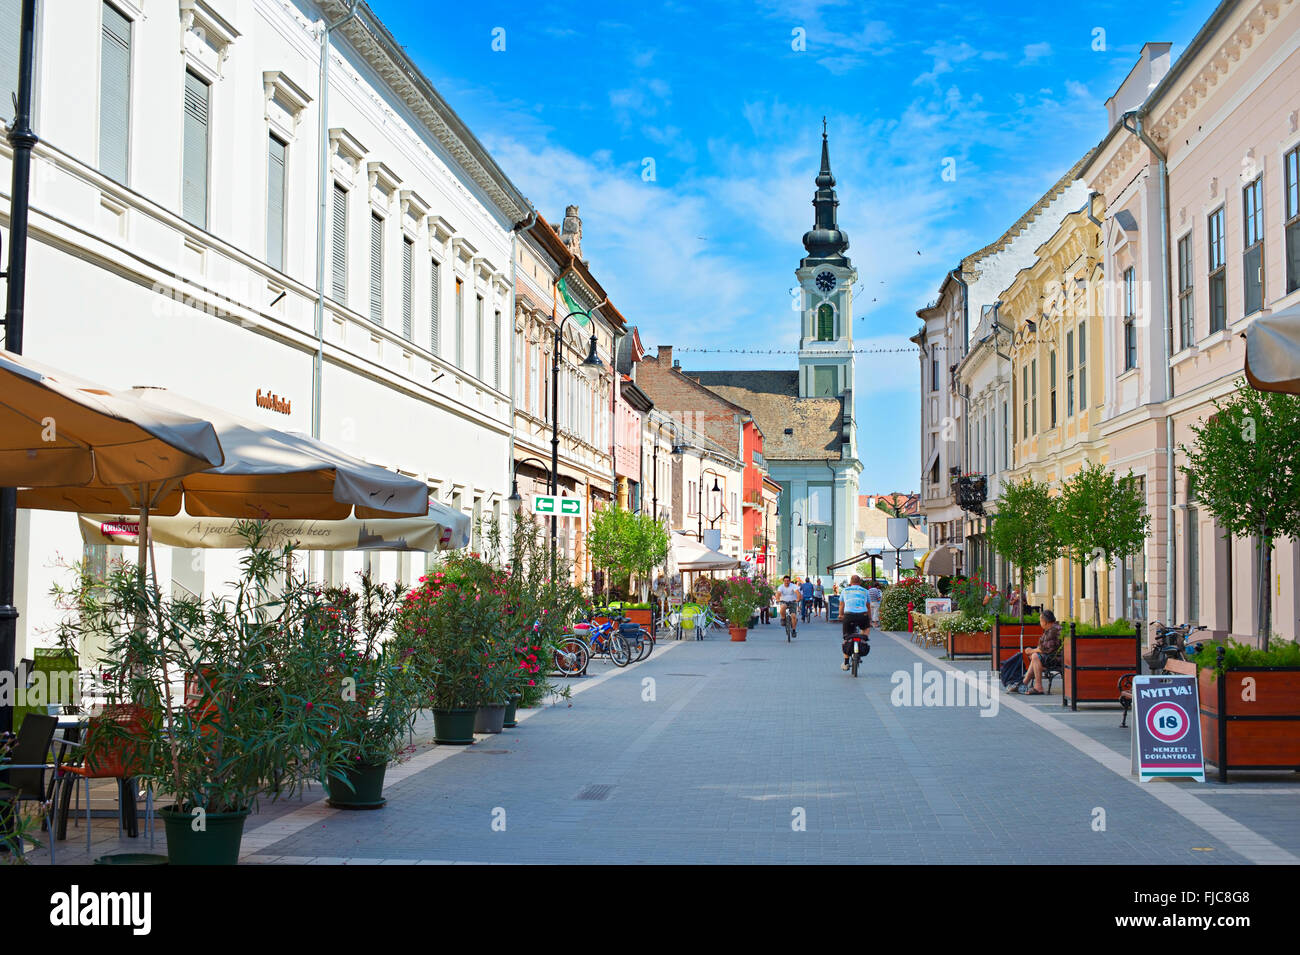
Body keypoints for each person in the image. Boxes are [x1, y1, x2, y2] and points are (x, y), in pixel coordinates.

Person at [1010, 609, 1062, 695]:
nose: (1040, 623)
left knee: (1035, 656)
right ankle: (1024, 683)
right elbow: (1045, 647)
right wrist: (1034, 651)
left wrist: (1032, 651)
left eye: (1040, 621)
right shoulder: (1052, 628)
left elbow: (1045, 649)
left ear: (1045, 622)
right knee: (1035, 656)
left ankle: (1038, 687)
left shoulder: (1053, 630)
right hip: (1053, 655)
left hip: (1056, 658)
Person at [839, 575, 872, 670]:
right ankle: (863, 641)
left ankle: (845, 663)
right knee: (865, 629)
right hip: (862, 614)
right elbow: (868, 606)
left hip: (849, 615)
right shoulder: (865, 591)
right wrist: (869, 618)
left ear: (850, 582)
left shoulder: (845, 590)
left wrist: (841, 615)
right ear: (860, 582)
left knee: (846, 638)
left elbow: (841, 604)